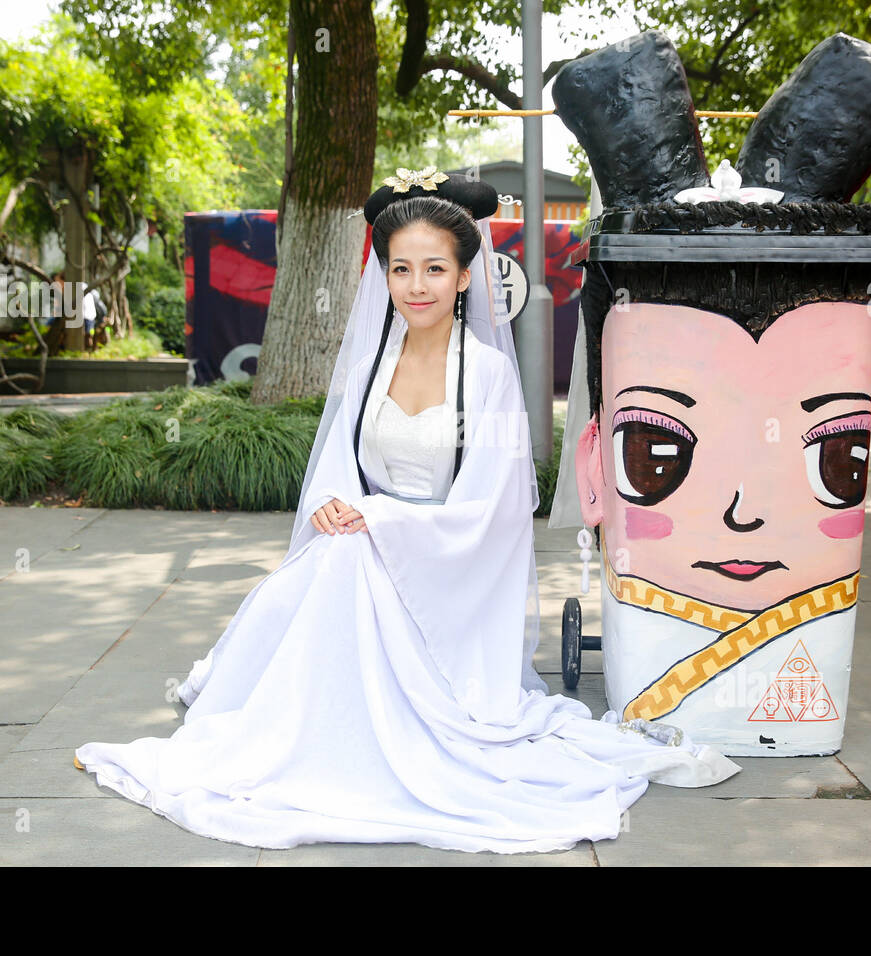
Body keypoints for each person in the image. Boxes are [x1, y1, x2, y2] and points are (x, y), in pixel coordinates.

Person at [73, 167, 741, 855]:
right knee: (340, 552)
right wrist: (337, 506)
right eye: (400, 269)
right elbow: (339, 463)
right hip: (363, 544)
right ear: (383, 276)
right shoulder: (366, 367)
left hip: (443, 568)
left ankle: (353, 722)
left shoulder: (485, 371)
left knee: (352, 554)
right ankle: (311, 728)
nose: (415, 286)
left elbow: (498, 504)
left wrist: (389, 524)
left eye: (433, 269)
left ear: (462, 277)